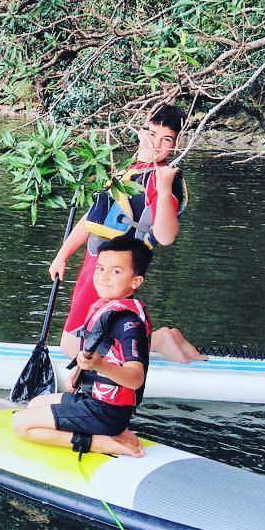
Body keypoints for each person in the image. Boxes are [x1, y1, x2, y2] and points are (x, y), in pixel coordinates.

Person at [49, 104, 204, 363]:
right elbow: (93, 218)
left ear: (176, 145)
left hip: (116, 267)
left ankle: (156, 341)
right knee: (84, 336)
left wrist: (165, 190)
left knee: (73, 344)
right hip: (96, 263)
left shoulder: (162, 177)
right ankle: (164, 340)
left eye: (166, 140)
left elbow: (166, 236)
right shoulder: (130, 168)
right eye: (152, 134)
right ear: (141, 131)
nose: (156, 144)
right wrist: (63, 254)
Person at [14, 236, 153, 457]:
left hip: (107, 412)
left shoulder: (129, 323)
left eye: (115, 271)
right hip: (94, 401)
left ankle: (99, 443)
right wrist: (80, 372)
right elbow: (97, 351)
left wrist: (98, 366)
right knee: (35, 404)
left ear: (135, 281)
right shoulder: (106, 309)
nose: (103, 277)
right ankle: (117, 432)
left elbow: (136, 379)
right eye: (100, 269)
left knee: (21, 424)